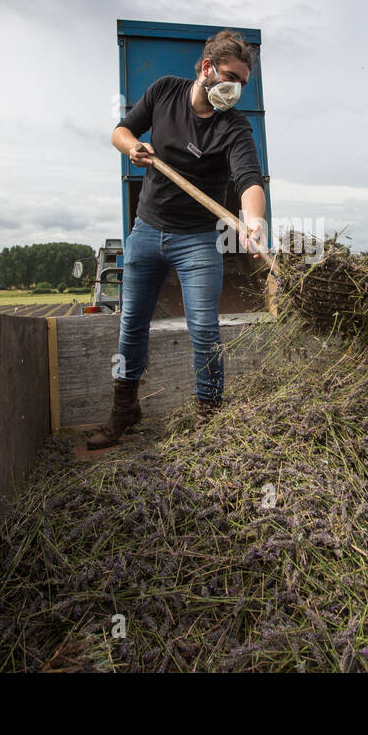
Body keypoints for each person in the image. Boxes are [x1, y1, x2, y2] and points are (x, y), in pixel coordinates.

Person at [87, 29, 268, 449]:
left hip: (199, 240)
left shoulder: (234, 127)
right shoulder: (164, 91)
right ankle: (125, 410)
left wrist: (254, 221)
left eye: (242, 82)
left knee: (204, 327)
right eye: (229, 76)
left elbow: (249, 179)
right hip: (147, 230)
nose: (235, 89)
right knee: (132, 325)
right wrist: (133, 147)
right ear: (206, 68)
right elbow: (120, 131)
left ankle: (209, 415)